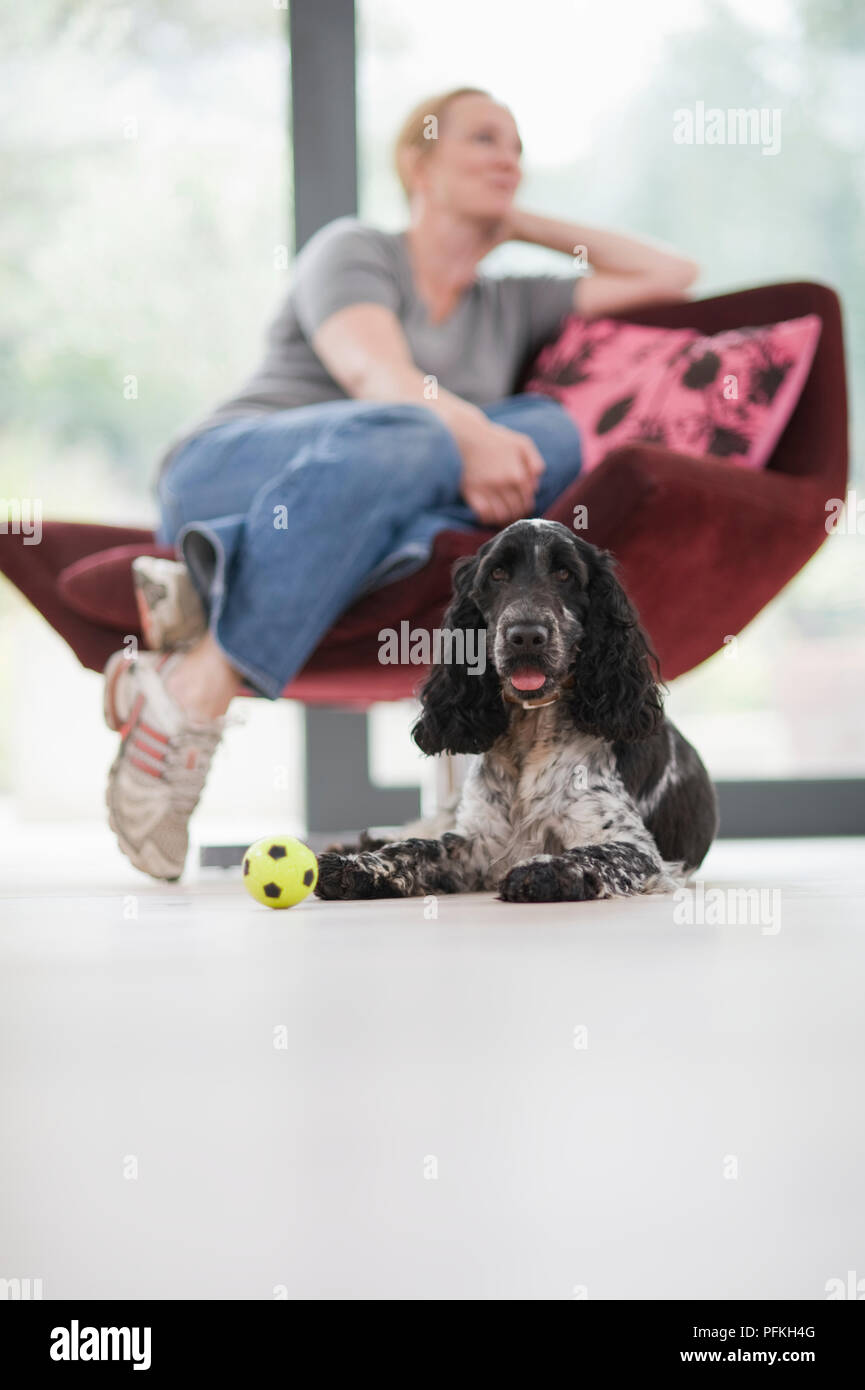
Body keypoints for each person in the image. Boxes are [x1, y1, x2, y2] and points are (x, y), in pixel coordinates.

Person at [104, 86, 698, 880]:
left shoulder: (510, 300)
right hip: (231, 475)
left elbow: (674, 273)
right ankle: (195, 688)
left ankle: (214, 579)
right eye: (483, 140)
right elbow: (375, 373)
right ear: (417, 163)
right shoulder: (354, 248)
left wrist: (518, 222)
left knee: (554, 431)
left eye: (518, 150)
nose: (507, 160)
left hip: (375, 522)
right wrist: (476, 433)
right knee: (416, 425)